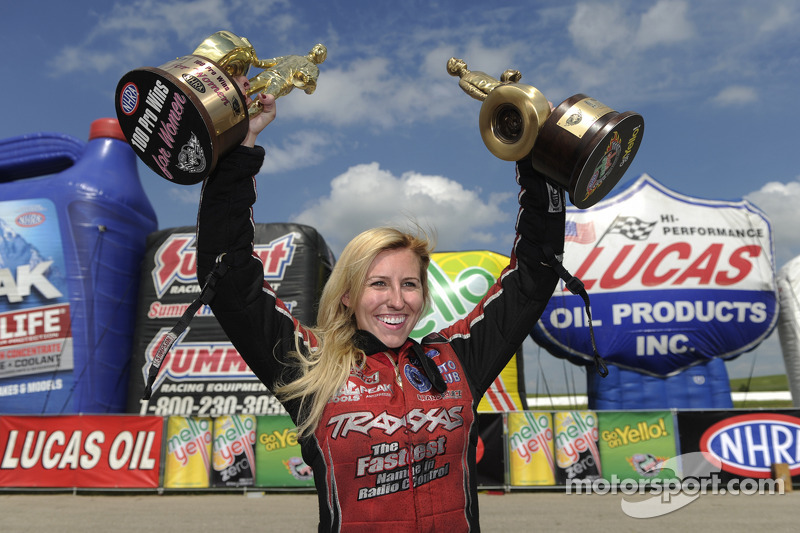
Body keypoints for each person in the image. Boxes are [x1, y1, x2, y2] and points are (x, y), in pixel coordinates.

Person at [195, 76, 566, 532]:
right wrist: (240, 147)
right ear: (347, 295)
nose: (396, 299)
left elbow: (533, 276)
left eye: (409, 284)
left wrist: (536, 157)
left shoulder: (456, 360)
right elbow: (230, 278)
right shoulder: (312, 367)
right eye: (378, 284)